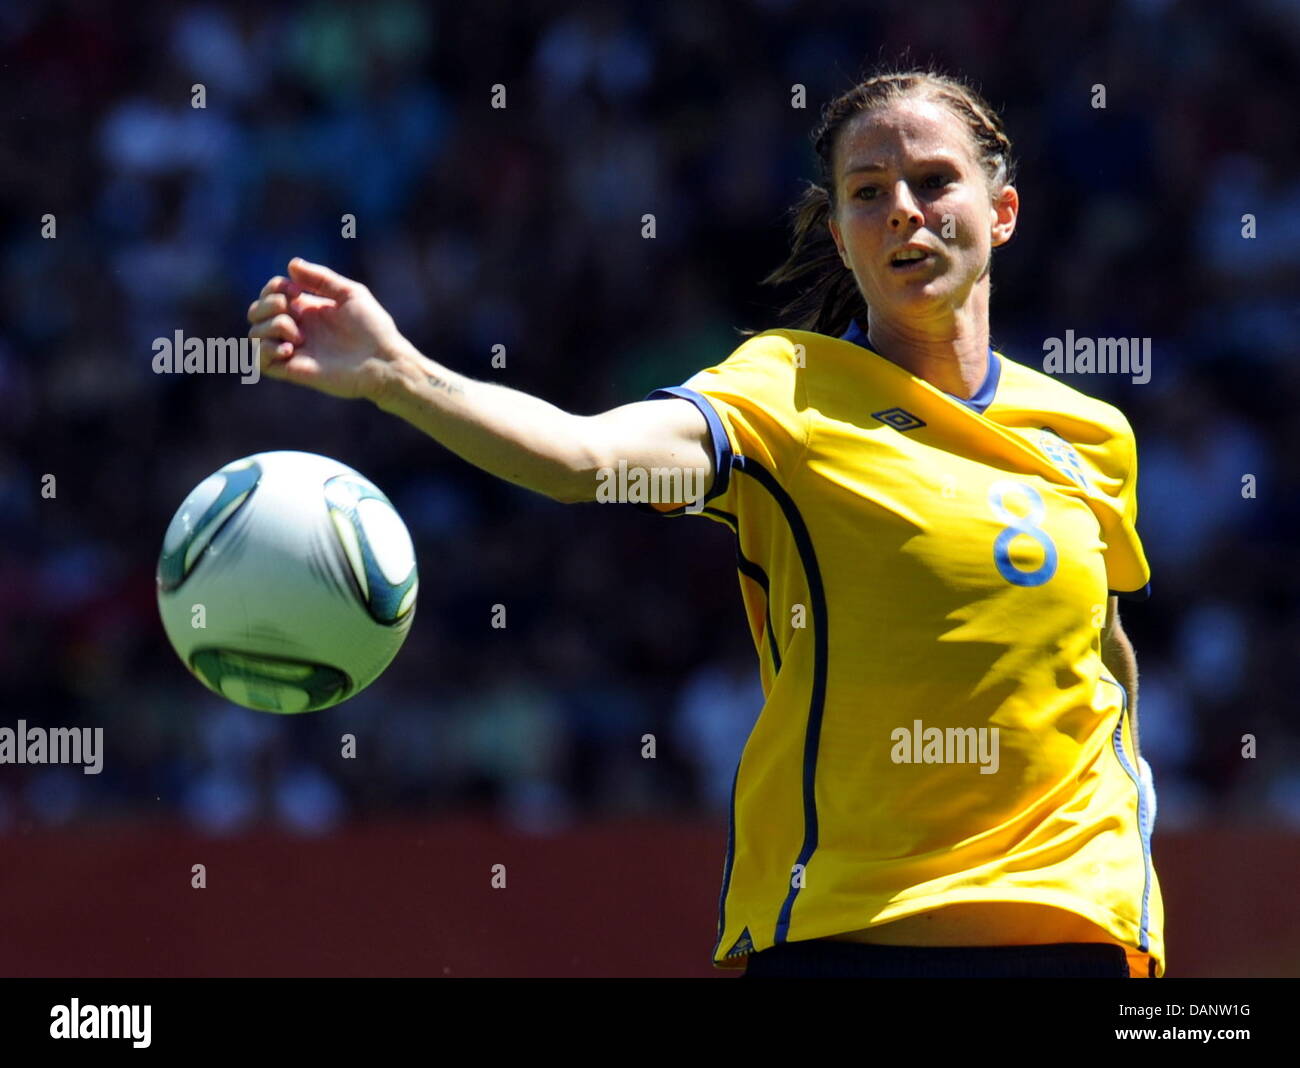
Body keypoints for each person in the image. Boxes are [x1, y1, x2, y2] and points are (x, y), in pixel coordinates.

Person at [246, 67, 1162, 978]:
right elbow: (584, 460)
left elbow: (1101, 641)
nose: (903, 210)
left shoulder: (1089, 435)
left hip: (1076, 923)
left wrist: (1135, 799)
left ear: (1000, 212)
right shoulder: (789, 390)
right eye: (868, 192)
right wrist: (398, 373)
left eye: (934, 181)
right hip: (853, 931)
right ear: (842, 239)